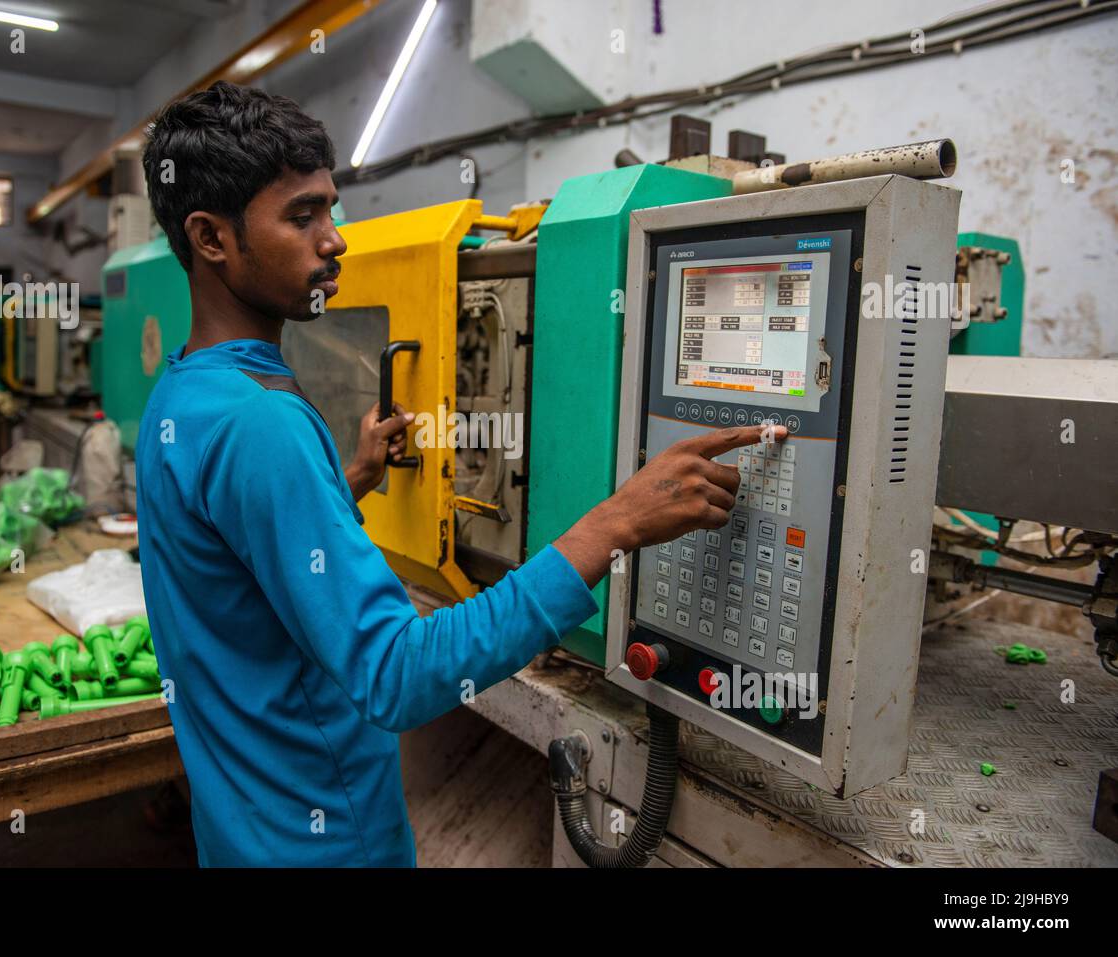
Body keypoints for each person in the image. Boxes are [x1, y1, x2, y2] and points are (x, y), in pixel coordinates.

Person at [135, 81, 783, 866]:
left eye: (331, 210)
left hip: (242, 835)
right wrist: (614, 524)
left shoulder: (186, 392)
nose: (334, 239)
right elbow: (398, 674)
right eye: (301, 216)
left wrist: (344, 485)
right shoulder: (263, 422)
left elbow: (240, 561)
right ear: (211, 238)